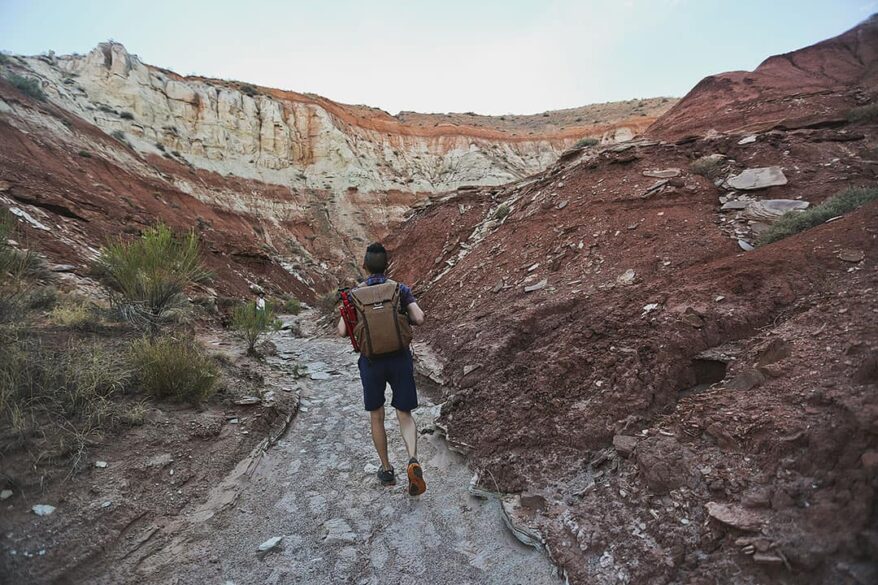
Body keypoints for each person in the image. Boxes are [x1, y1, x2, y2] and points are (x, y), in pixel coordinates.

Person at [337, 243, 427, 495]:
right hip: (399, 358)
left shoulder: (354, 295)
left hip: (371, 361)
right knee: (404, 413)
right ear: (387, 265)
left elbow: (343, 331)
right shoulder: (400, 289)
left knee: (376, 415)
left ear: (364, 266)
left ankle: (387, 470)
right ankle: (412, 458)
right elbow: (419, 318)